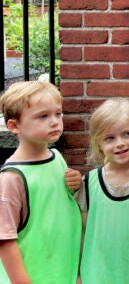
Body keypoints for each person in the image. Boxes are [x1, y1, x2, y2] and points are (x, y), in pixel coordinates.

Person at [0, 81, 82, 284]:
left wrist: (75, 186)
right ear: (14, 126)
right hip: (34, 275)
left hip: (63, 271)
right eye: (43, 116)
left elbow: (59, 208)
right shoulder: (12, 177)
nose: (55, 121)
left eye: (58, 113)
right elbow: (4, 238)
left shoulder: (57, 158)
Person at [79, 99, 129, 284]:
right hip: (96, 275)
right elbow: (83, 231)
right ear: (98, 142)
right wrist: (78, 273)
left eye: (127, 134)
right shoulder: (89, 183)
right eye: (110, 138)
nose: (120, 143)